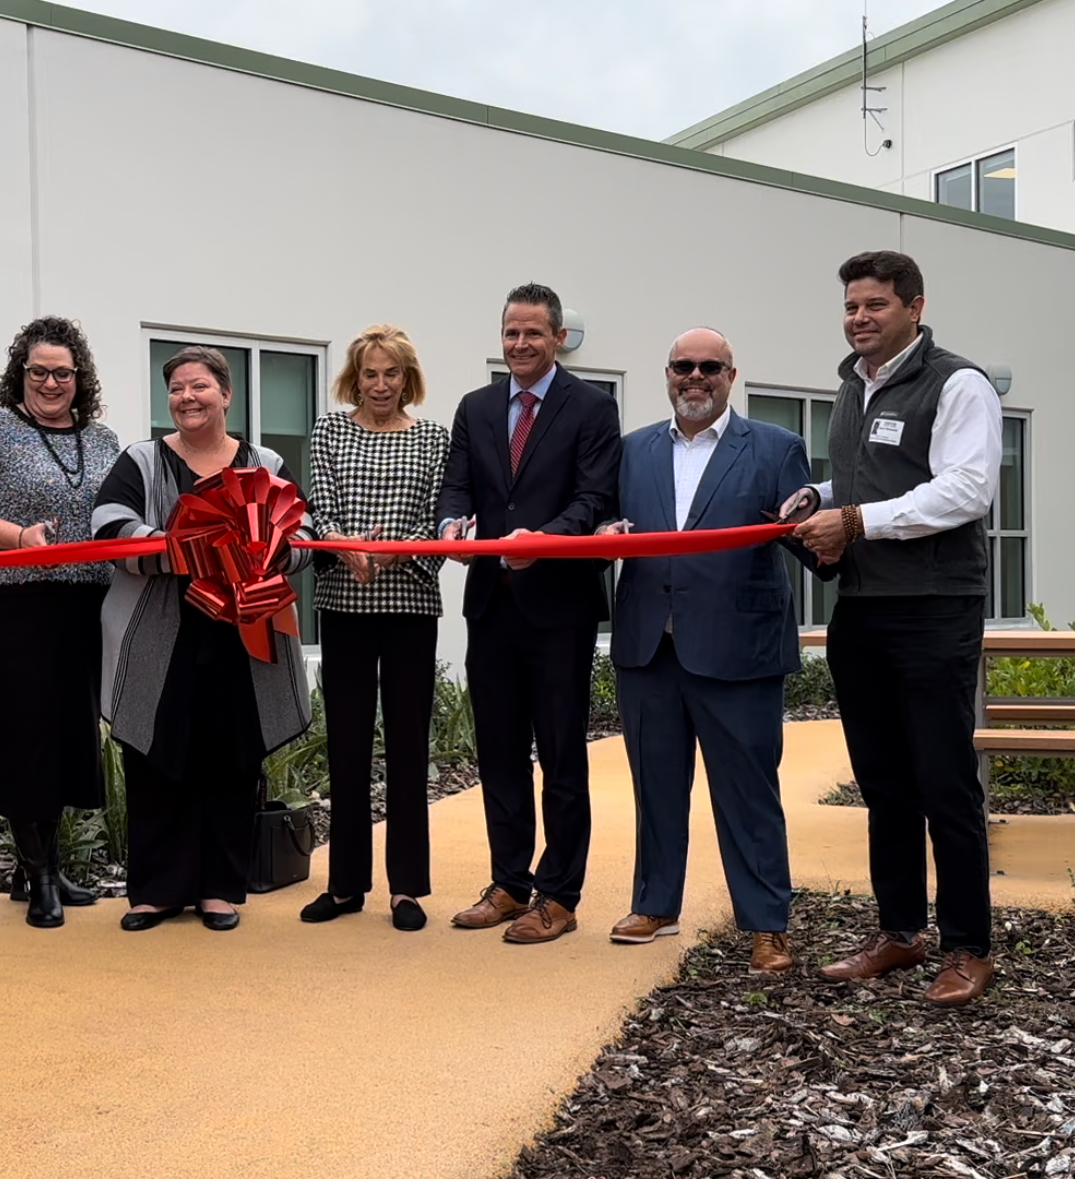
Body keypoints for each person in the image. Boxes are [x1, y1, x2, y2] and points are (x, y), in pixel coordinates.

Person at [783, 250, 1003, 1006]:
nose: (858, 318)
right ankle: (901, 933)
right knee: (883, 785)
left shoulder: (956, 382)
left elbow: (964, 489)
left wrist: (854, 518)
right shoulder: (853, 385)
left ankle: (968, 946)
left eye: (874, 304)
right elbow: (872, 479)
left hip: (934, 608)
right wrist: (819, 493)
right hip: (864, 607)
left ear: (913, 305)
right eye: (850, 306)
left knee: (944, 783)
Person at [599, 328, 815, 972]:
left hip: (739, 650)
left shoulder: (778, 447)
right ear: (666, 374)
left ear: (731, 375)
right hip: (649, 646)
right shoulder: (632, 450)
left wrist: (815, 515)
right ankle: (656, 904)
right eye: (683, 367)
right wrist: (605, 533)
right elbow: (606, 525)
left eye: (709, 367)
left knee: (748, 793)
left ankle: (767, 923)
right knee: (656, 786)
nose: (695, 378)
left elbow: (801, 536)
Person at [91, 346, 314, 933]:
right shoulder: (141, 460)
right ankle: (156, 891)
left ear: (226, 394)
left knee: (231, 755)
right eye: (176, 390)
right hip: (159, 636)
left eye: (200, 387)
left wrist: (264, 552)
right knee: (154, 753)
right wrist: (190, 548)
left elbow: (302, 531)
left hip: (244, 637)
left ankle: (220, 888)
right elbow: (109, 523)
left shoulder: (264, 461)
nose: (187, 399)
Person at [437, 283, 621, 945]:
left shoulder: (592, 408)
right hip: (489, 603)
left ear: (558, 337)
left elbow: (595, 499)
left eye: (532, 334)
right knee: (499, 753)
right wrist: (453, 526)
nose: (519, 344)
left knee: (562, 756)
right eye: (511, 332)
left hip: (558, 608)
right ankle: (509, 883)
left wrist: (538, 544)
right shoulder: (476, 406)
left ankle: (559, 894)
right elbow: (457, 485)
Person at [0, 316, 122, 928]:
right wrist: (19, 537)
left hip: (85, 607)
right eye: (38, 371)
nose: (49, 382)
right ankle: (39, 876)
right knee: (26, 734)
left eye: (61, 373)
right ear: (20, 373)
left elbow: (121, 514)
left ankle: (41, 863)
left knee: (71, 733)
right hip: (15, 605)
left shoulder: (101, 439)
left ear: (79, 378)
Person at [300, 325, 451, 933]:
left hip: (411, 603)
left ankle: (407, 889)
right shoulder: (329, 431)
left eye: (391, 373)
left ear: (407, 377)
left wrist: (398, 552)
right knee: (347, 745)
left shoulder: (435, 440)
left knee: (410, 746)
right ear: (354, 378)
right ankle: (345, 886)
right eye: (370, 373)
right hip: (343, 602)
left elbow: (443, 519)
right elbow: (320, 508)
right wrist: (342, 545)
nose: (380, 384)